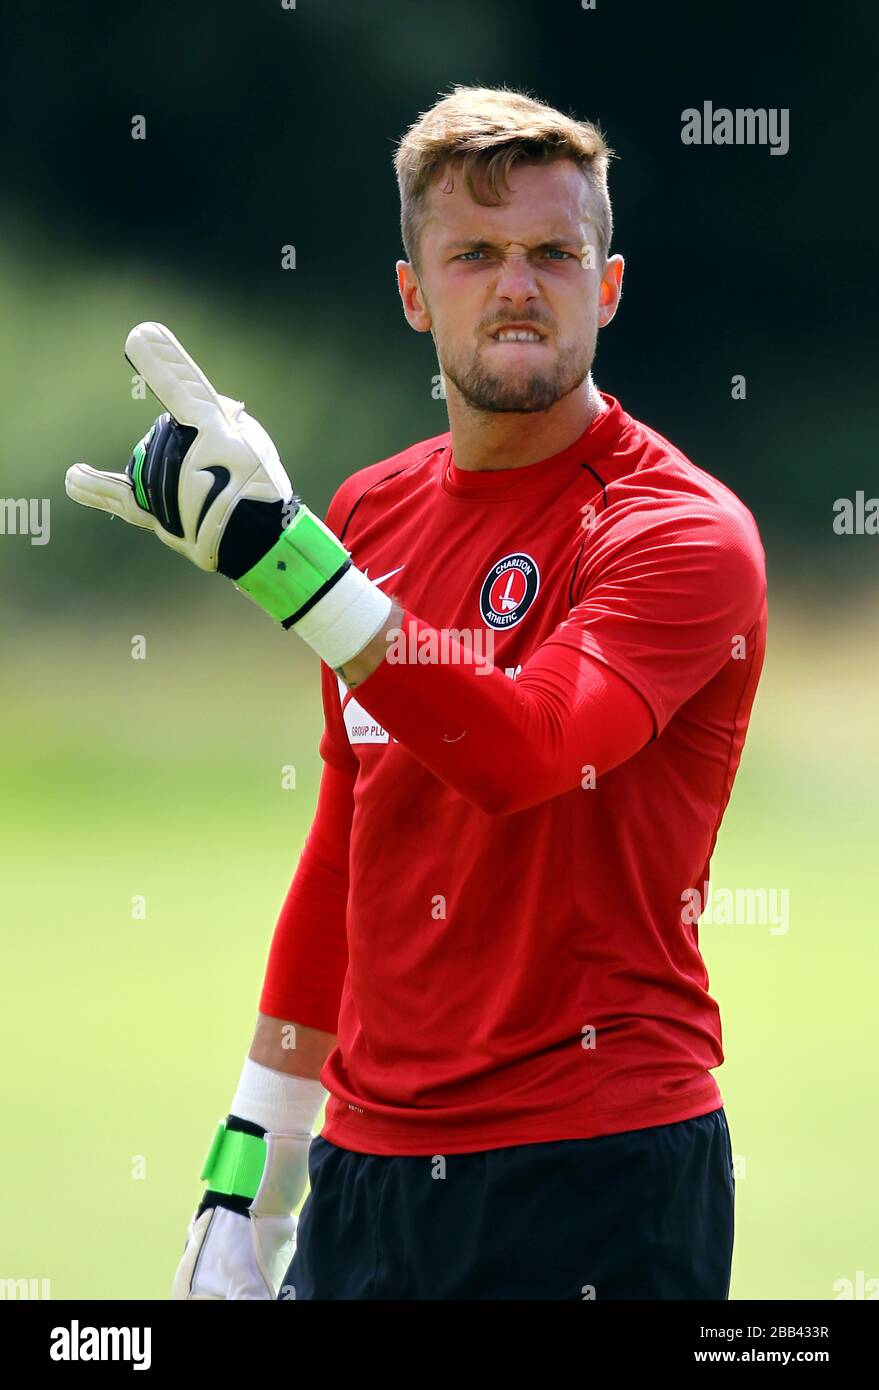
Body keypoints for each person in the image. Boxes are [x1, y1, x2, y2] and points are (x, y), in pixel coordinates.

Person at [67, 84, 766, 1300]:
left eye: (555, 252)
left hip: (598, 1162)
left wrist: (287, 563)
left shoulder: (682, 530)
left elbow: (530, 750)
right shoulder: (371, 513)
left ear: (607, 287)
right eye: (475, 254)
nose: (516, 285)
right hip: (366, 1169)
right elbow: (349, 852)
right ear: (412, 293)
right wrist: (253, 1177)